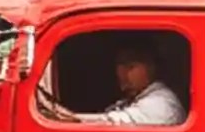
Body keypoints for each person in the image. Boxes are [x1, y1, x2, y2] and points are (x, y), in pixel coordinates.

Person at [38, 40, 186, 127]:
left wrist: (70, 119)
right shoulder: (131, 100)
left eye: (130, 67)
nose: (122, 73)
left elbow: (113, 123)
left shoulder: (162, 103)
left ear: (151, 67)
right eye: (119, 66)